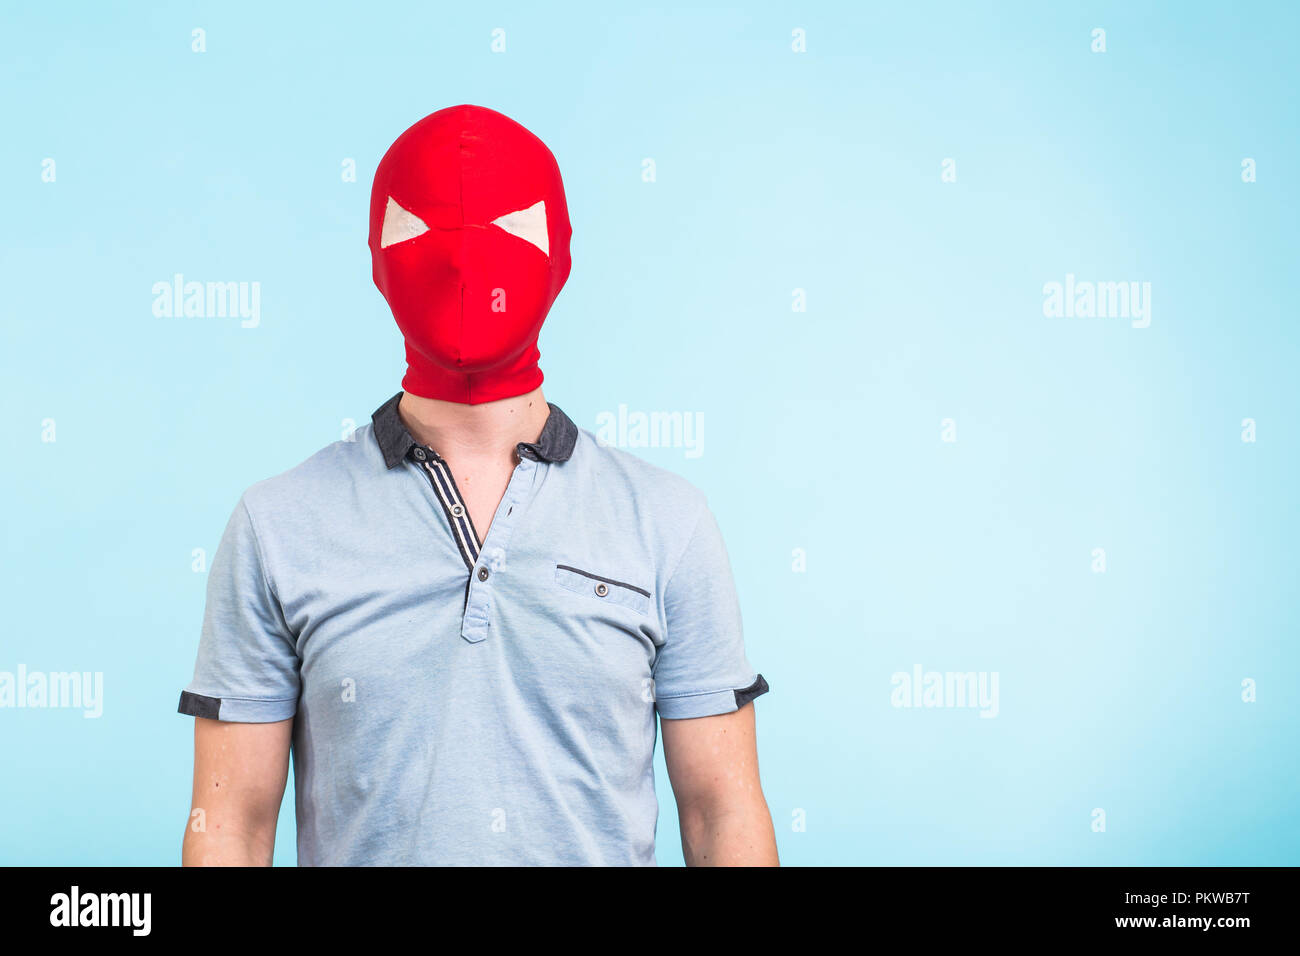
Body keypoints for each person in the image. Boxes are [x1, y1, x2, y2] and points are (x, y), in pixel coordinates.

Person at [177, 104, 776, 866]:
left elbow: (723, 814)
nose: (463, 262)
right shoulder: (276, 525)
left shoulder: (666, 521)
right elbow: (231, 826)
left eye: (509, 227)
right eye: (422, 230)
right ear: (376, 255)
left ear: (559, 253)